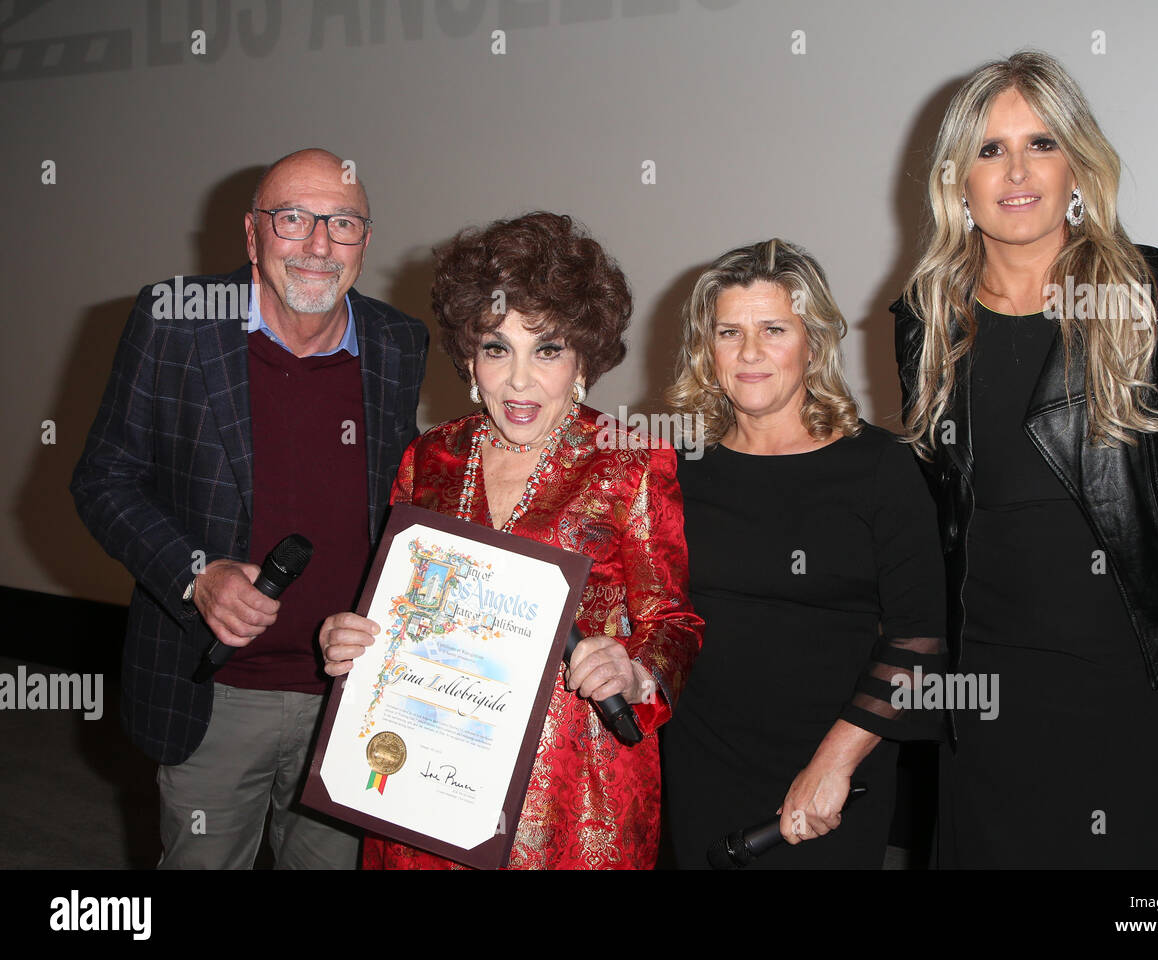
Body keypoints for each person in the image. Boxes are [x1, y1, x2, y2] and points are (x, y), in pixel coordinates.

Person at [892, 51, 1158, 868]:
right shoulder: (926, 322)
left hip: (1130, 683)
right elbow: (945, 508)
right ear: (957, 178)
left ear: (1077, 162)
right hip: (987, 689)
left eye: (1041, 142)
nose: (1017, 171)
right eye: (990, 150)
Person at [70, 148, 429, 868]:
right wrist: (194, 576)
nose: (319, 245)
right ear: (251, 235)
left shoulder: (398, 341)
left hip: (350, 697)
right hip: (215, 694)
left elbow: (405, 500)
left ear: (367, 239)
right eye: (293, 219)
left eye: (345, 224)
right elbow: (103, 480)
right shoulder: (175, 322)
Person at [320, 211, 703, 870]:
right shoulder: (430, 458)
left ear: (585, 354)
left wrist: (634, 669)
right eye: (498, 347)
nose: (520, 380)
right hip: (425, 775)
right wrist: (354, 638)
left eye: (547, 348)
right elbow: (397, 615)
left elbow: (673, 622)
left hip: (569, 794)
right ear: (470, 353)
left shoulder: (627, 461)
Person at [659, 239, 947, 869]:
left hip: (829, 772)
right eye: (729, 332)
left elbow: (920, 641)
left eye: (773, 329)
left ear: (812, 342)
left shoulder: (880, 468)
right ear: (706, 352)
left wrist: (832, 762)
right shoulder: (676, 467)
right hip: (697, 762)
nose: (751, 352)